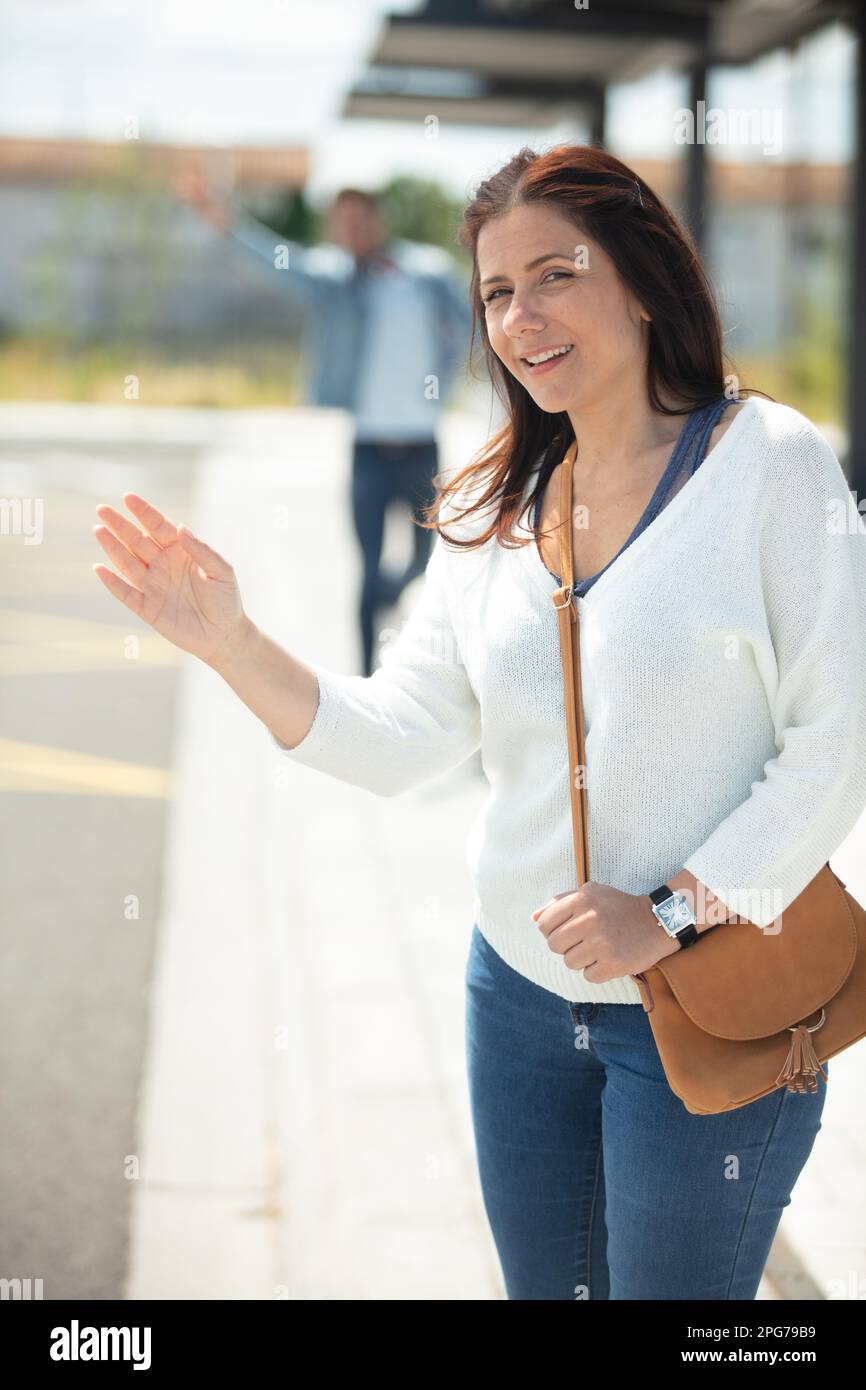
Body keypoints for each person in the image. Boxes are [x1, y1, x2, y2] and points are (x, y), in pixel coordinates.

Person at [96, 144, 866, 1300]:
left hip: (714, 1001)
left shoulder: (771, 464)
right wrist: (233, 644)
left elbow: (833, 746)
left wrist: (665, 912)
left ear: (644, 278)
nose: (520, 316)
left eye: (554, 275)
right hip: (514, 1001)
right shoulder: (492, 495)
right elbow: (400, 733)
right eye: (497, 291)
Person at [174, 170, 473, 675]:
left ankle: (406, 638)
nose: (351, 230)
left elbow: (472, 322)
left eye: (360, 218)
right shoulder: (335, 280)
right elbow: (277, 262)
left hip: (422, 443)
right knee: (368, 565)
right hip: (368, 448)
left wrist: (454, 378)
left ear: (378, 220)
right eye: (342, 222)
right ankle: (368, 675)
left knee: (424, 562)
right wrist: (226, 223)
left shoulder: (425, 271)